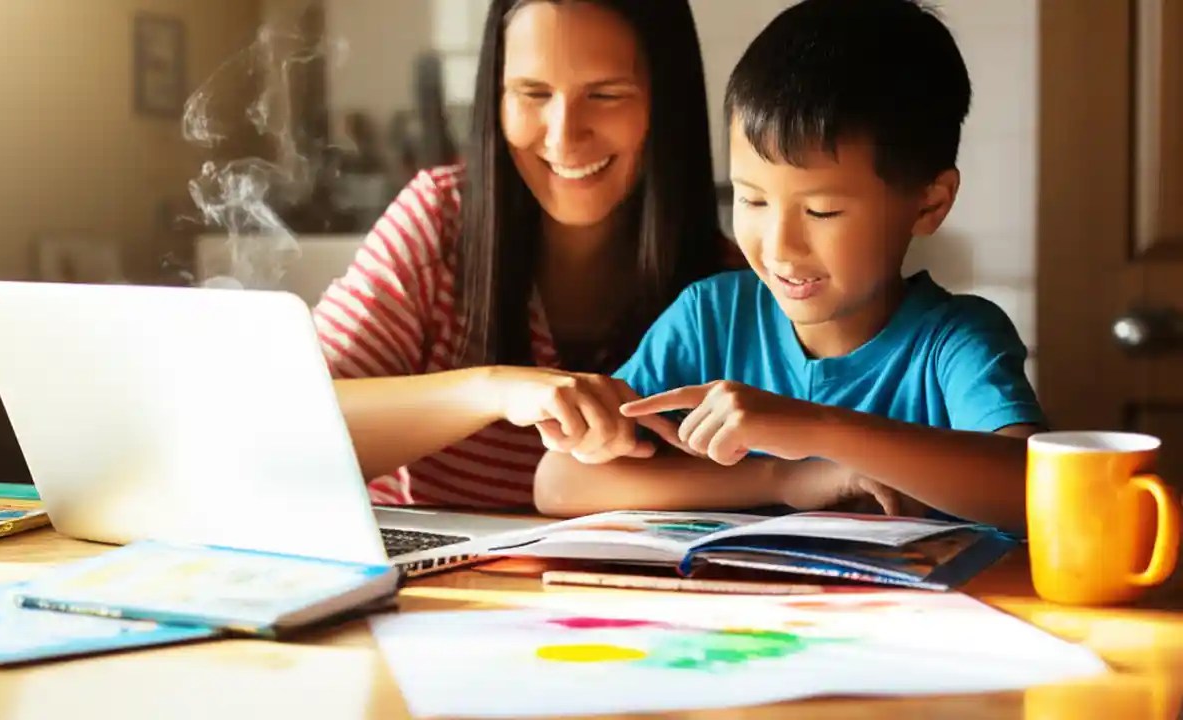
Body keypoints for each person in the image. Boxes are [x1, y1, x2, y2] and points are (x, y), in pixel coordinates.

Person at [534, 0, 1044, 534]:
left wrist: (819, 428)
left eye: (822, 211)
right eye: (752, 201)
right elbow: (560, 482)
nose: (780, 247)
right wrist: (784, 479)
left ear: (929, 204)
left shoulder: (953, 342)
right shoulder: (712, 319)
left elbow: (1033, 492)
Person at [313, 0, 726, 507]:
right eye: (533, 93)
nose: (563, 135)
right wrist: (496, 392)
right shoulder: (441, 220)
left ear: (668, 105)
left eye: (605, 94)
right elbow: (286, 427)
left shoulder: (728, 286)